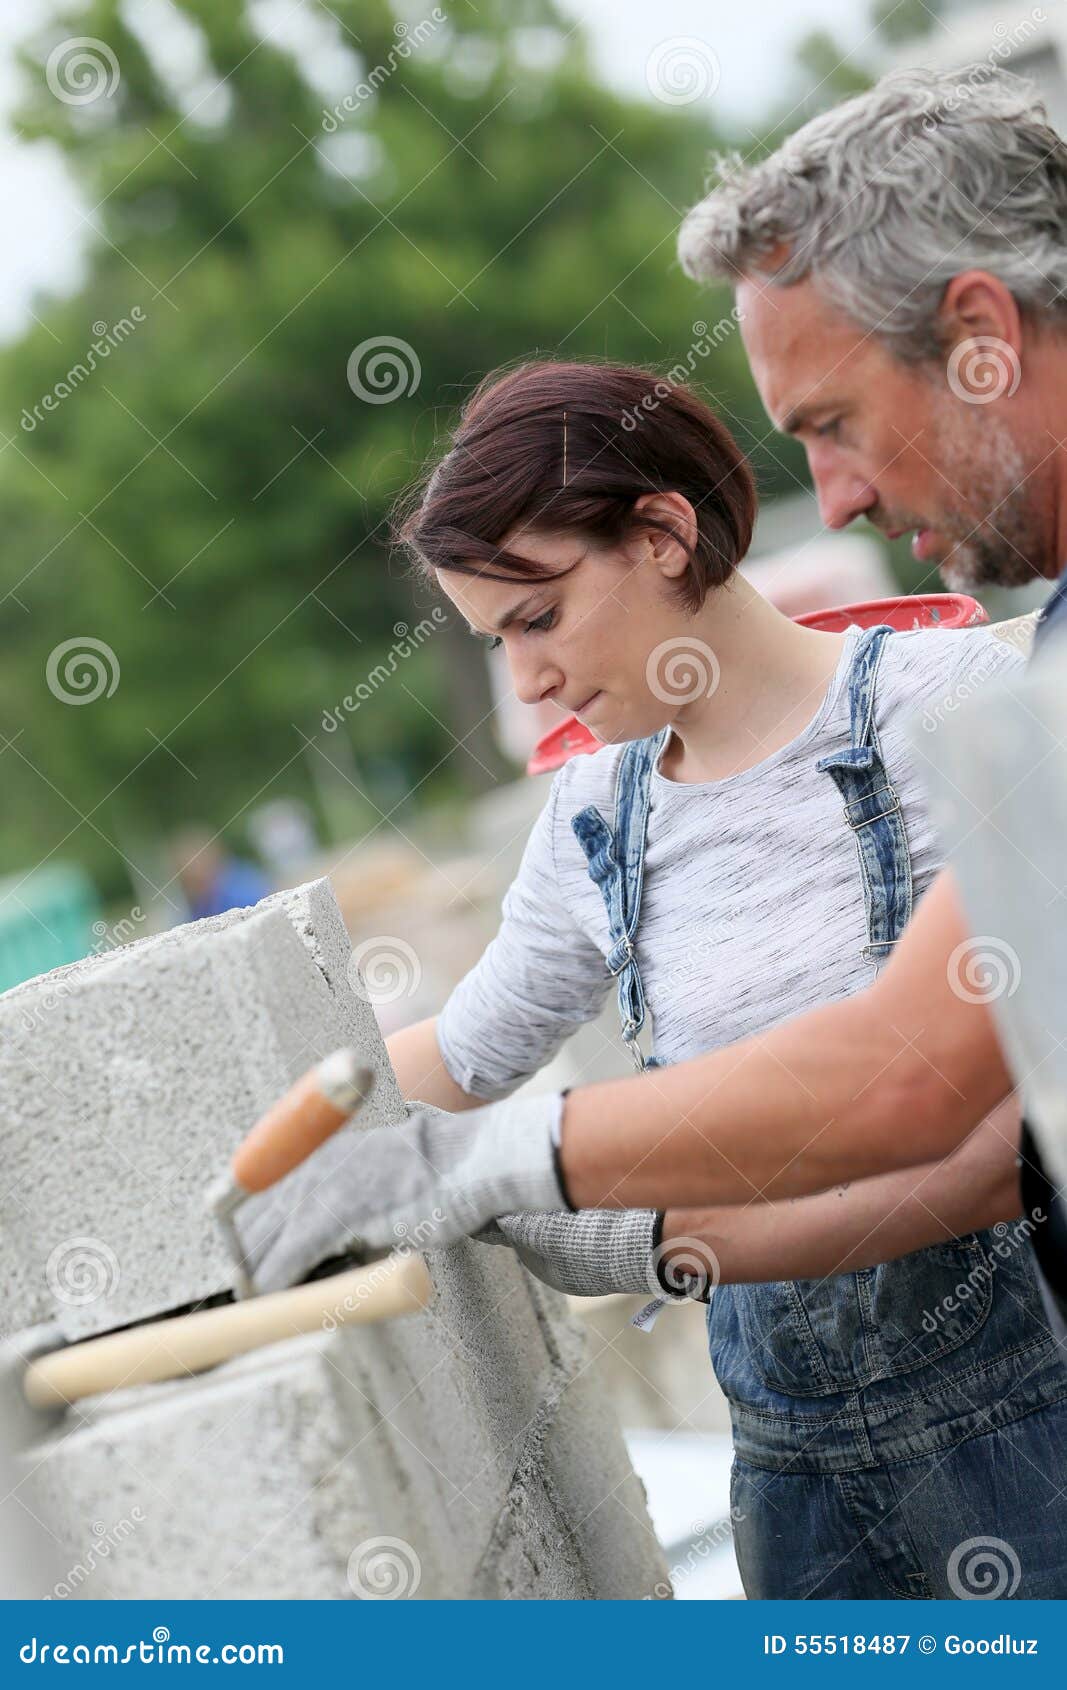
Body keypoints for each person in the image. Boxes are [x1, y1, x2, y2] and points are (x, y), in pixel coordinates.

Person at [238, 340, 1067, 1597]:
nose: (529, 681)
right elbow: (463, 1054)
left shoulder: (940, 706)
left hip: (1027, 1427)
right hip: (793, 1484)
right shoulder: (596, 811)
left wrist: (648, 1237)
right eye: (492, 639)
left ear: (664, 532)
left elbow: (991, 1155)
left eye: (539, 615)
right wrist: (254, 1139)